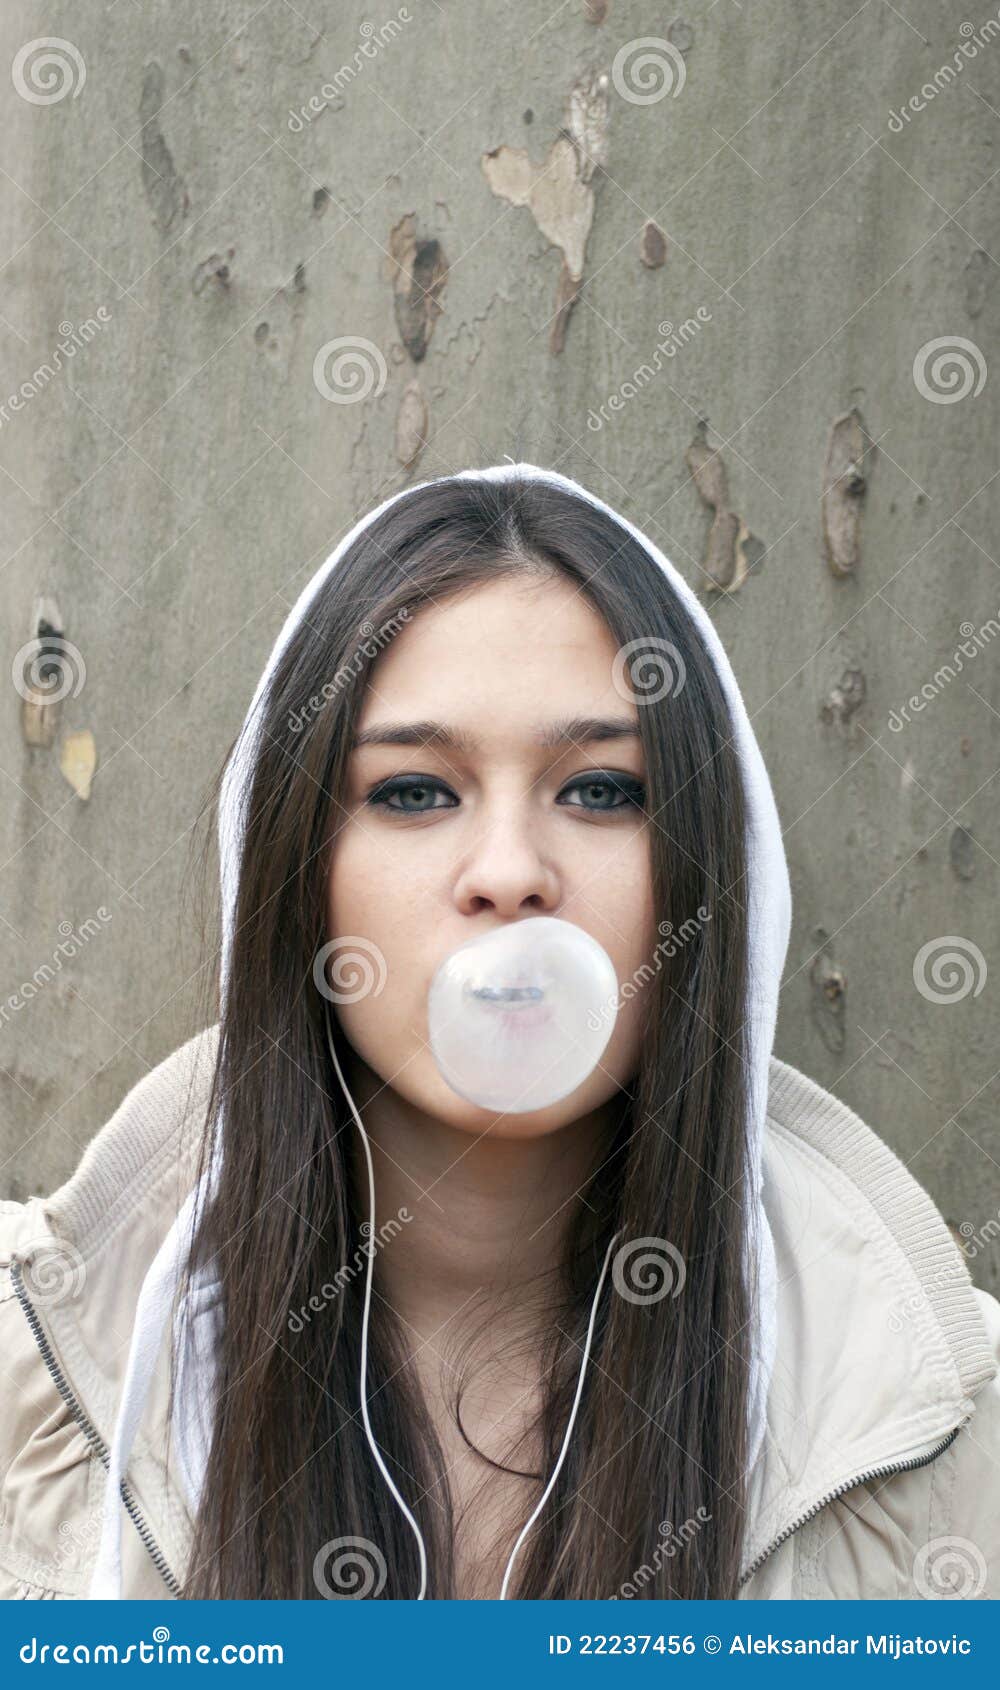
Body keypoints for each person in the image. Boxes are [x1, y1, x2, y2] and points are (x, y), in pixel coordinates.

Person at [2, 464, 997, 1602]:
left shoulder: (956, 1445)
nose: (513, 873)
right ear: (294, 873)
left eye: (602, 791)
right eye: (416, 792)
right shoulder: (27, 1383)